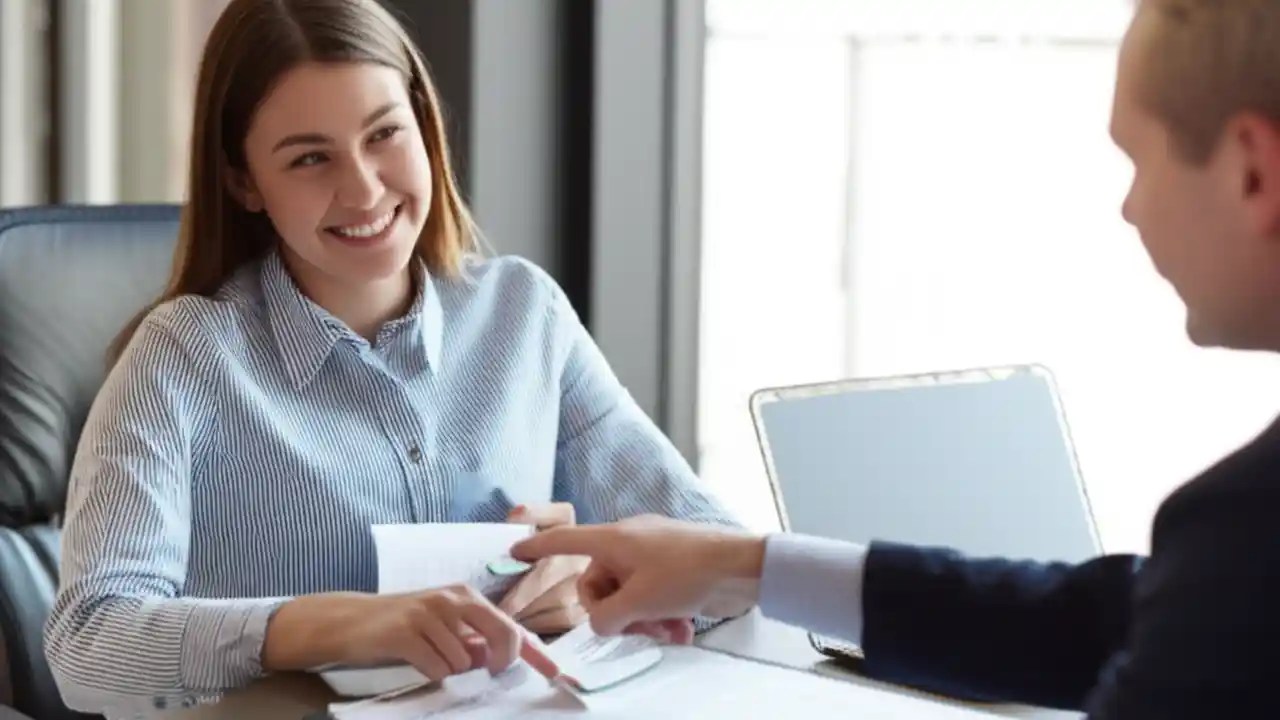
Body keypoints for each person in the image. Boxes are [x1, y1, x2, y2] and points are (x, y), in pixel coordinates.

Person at [513, 1, 1280, 717]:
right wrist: (742, 563)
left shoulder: (1243, 526)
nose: (1131, 207)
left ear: (1253, 172)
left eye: (1138, 161)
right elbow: (1111, 619)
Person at [42, 0, 732, 715]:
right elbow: (89, 643)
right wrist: (338, 623)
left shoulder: (523, 315)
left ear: (425, 130)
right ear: (244, 181)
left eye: (384, 135)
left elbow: (725, 565)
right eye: (311, 158)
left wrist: (596, 574)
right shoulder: (181, 357)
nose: (364, 189)